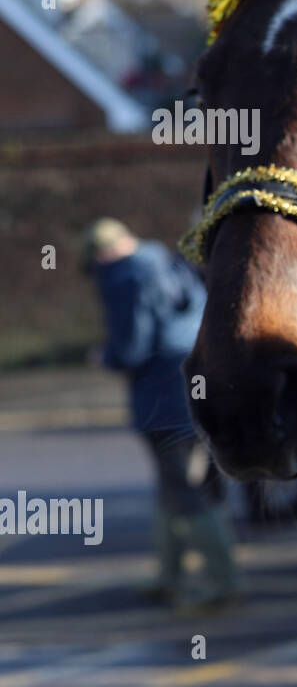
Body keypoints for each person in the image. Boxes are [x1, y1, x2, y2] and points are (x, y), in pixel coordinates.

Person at [84, 217, 239, 609]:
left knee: (184, 490)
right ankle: (169, 575)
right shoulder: (166, 261)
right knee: (177, 487)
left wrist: (107, 358)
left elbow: (132, 347)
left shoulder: (124, 277)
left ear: (102, 252)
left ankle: (222, 584)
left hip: (162, 399)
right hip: (199, 387)